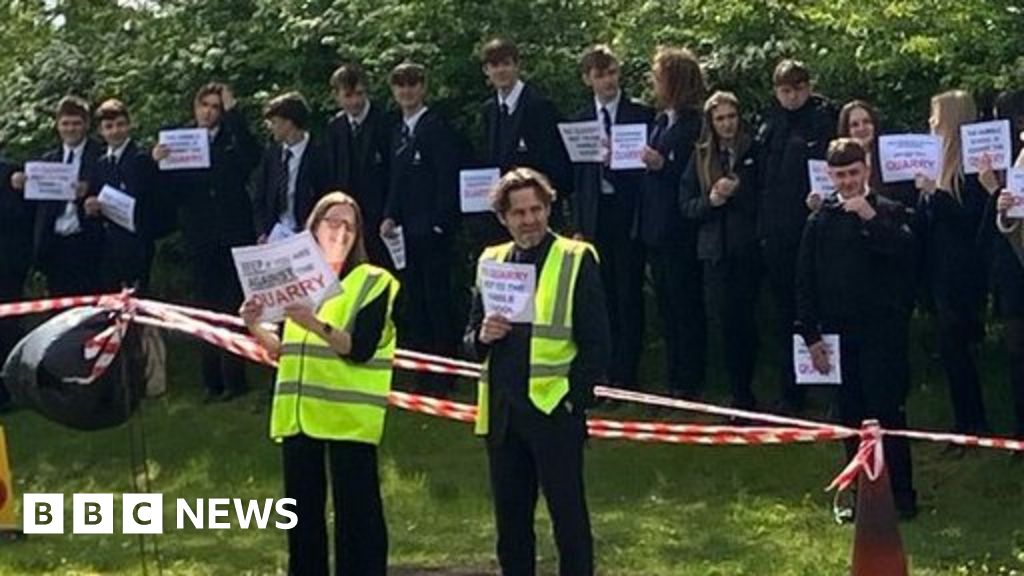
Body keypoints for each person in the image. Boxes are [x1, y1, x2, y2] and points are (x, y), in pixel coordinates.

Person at [242, 192, 397, 575]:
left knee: (356, 515)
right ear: (312, 228)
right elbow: (283, 350)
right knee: (301, 515)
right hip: (297, 415)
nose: (340, 231)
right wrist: (253, 326)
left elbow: (359, 348)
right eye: (332, 222)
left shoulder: (373, 281)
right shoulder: (294, 280)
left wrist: (317, 324)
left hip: (347, 415)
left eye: (349, 224)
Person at [465, 167, 610, 576]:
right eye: (519, 213)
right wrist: (483, 335)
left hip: (553, 410)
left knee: (568, 520)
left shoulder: (575, 257)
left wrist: (574, 400)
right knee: (510, 527)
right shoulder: (490, 260)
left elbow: (597, 340)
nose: (529, 220)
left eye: (536, 210)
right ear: (503, 218)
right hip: (502, 412)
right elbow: (469, 340)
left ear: (549, 209)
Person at [795, 138, 918, 519]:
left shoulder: (890, 211)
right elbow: (804, 282)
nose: (847, 181)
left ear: (865, 170)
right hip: (837, 337)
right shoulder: (820, 221)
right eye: (840, 175)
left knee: (887, 416)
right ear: (830, 176)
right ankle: (863, 500)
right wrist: (810, 336)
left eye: (853, 173)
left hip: (883, 335)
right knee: (849, 419)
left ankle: (901, 499)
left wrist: (869, 216)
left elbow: (907, 255)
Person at [153, 82, 261, 402]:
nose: (209, 112)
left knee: (233, 306)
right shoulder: (180, 141)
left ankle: (235, 380)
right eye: (205, 106)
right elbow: (169, 193)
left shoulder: (232, 137)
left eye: (216, 107)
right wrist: (158, 164)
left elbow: (251, 159)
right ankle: (211, 381)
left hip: (233, 231)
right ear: (195, 108)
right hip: (199, 235)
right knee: (205, 307)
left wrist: (234, 113)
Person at [756, 59, 836, 414]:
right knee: (786, 313)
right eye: (785, 90)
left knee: (823, 310)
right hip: (777, 234)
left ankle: (833, 389)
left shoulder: (825, 120)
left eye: (799, 88)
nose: (792, 96)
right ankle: (792, 391)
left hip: (816, 230)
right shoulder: (770, 125)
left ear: (809, 86)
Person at [570, 44, 653, 392]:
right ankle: (601, 372)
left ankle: (626, 374)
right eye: (599, 74)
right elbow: (574, 180)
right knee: (598, 297)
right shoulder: (578, 121)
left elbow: (646, 173)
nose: (607, 80)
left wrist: (617, 162)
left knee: (628, 294)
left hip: (627, 213)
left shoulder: (641, 115)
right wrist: (576, 224)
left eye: (611, 73)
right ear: (588, 78)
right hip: (594, 217)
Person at [912, 89, 989, 437]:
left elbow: (968, 217)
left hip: (962, 270)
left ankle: (975, 423)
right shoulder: (936, 162)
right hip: (937, 268)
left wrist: (935, 195)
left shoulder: (972, 166)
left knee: (959, 346)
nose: (930, 123)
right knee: (949, 347)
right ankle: (963, 421)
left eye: (936, 116)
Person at [381, 62, 461, 395]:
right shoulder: (397, 129)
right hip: (405, 234)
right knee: (415, 305)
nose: (406, 92)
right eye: (400, 86)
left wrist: (441, 224)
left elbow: (447, 179)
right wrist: (389, 215)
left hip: (433, 233)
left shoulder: (435, 127)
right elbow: (394, 182)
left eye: (412, 85)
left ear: (423, 87)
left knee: (438, 302)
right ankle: (423, 372)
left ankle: (446, 375)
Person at [680, 91, 760, 409]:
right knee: (724, 323)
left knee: (747, 322)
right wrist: (711, 201)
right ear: (711, 122)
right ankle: (736, 393)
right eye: (720, 118)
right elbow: (686, 205)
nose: (727, 124)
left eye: (731, 117)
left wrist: (739, 192)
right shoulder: (700, 156)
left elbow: (765, 195)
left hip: (746, 249)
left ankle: (750, 390)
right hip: (713, 252)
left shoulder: (753, 149)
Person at [638, 46, 706, 399]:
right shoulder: (660, 121)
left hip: (680, 228)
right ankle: (672, 379)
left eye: (659, 76)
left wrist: (662, 164)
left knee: (685, 305)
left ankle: (689, 381)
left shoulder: (695, 123)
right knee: (667, 307)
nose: (654, 82)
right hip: (656, 228)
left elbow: (693, 173)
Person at [478, 37, 571, 243]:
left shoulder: (541, 107)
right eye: (494, 65)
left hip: (536, 218)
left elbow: (559, 167)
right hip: (504, 220)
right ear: (486, 70)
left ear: (517, 65)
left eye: (506, 63)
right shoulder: (489, 111)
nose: (501, 70)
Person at [10, 96, 105, 297]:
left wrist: (89, 192)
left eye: (76, 123)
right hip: (55, 246)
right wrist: (21, 185)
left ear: (86, 125)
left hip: (89, 244)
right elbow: (34, 206)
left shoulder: (101, 156)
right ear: (57, 125)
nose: (70, 129)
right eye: (65, 123)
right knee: (59, 309)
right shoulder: (47, 160)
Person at [83, 99, 162, 292]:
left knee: (136, 300)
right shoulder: (100, 163)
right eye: (109, 127)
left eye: (120, 125)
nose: (115, 131)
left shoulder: (143, 158)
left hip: (137, 241)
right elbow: (94, 194)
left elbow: (154, 198)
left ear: (128, 125)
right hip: (108, 243)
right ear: (101, 131)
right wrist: (90, 205)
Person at [327, 63, 393, 267]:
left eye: (359, 94)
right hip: (347, 218)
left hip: (379, 216)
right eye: (348, 96)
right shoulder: (335, 127)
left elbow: (394, 174)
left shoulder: (386, 122)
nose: (355, 101)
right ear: (336, 96)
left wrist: (389, 213)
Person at [252, 91, 331, 243]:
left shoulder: (320, 154)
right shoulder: (273, 155)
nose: (271, 127)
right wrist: (262, 231)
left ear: (289, 123)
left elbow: (326, 197)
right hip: (276, 234)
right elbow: (260, 196)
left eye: (274, 122)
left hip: (309, 235)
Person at [0, 147, 31, 410]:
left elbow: (22, 217)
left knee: (8, 327)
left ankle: (11, 389)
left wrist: (19, 189)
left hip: (7, 266)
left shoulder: (13, 173)